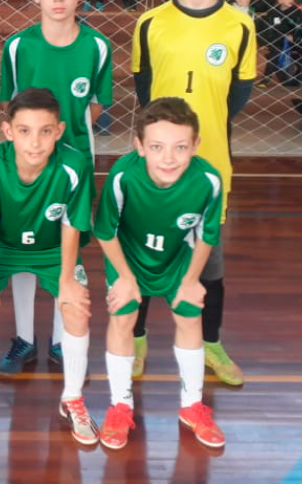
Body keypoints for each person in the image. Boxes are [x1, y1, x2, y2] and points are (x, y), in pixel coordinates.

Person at [130, 0, 257, 387]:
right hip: (156, 162)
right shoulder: (150, 22)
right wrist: (164, 140)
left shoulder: (241, 25)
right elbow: (145, 91)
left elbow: (239, 94)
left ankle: (210, 344)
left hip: (210, 162)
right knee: (144, 253)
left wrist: (199, 133)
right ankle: (137, 338)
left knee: (212, 263)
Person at [0, 0, 113, 376]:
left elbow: (95, 107)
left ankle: (62, 341)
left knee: (67, 248)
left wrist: (66, 146)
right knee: (23, 246)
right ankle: (24, 338)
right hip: (25, 168)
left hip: (72, 168)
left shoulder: (98, 46)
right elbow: (11, 106)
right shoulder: (17, 46)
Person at [0, 88, 98, 446]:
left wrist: (67, 280)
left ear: (60, 130)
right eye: (24, 131)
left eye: (45, 131)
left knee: (76, 309)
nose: (35, 142)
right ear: (8, 131)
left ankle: (73, 399)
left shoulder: (75, 165)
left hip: (52, 249)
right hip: (4, 247)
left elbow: (71, 224)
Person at [95, 97, 226, 450]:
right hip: (129, 259)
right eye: (157, 147)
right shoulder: (123, 176)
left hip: (177, 259)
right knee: (122, 318)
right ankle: (120, 406)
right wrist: (124, 277)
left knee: (190, 315)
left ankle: (192, 406)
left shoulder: (209, 181)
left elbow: (206, 236)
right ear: (139, 146)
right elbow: (106, 232)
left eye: (180, 147)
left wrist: (190, 281)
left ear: (195, 145)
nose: (168, 158)